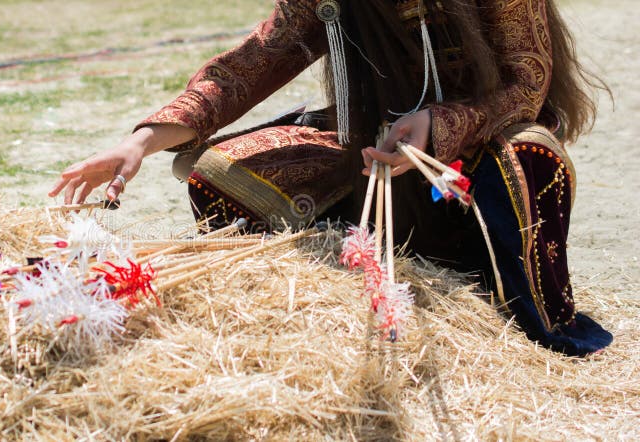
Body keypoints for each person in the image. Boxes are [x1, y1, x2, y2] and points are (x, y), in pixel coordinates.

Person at [48, 0, 612, 356]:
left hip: (480, 152)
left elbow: (526, 84)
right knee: (221, 171)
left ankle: (503, 290)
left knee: (530, 161)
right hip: (371, 155)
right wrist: (138, 143)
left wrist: (441, 125)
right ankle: (354, 254)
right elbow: (246, 68)